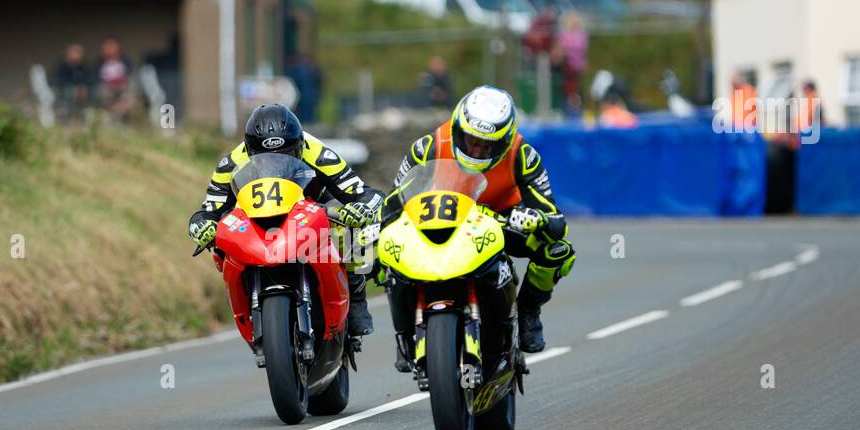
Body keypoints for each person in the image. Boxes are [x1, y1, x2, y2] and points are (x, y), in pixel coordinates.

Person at [390, 86, 575, 356]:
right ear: (457, 130)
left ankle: (528, 311)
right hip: (441, 220)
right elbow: (395, 199)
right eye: (470, 140)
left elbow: (554, 219)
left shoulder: (522, 154)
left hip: (502, 221)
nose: (476, 150)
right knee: (387, 248)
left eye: (487, 145)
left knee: (558, 250)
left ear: (504, 141)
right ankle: (406, 331)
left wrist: (537, 218)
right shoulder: (429, 146)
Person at [188, 104, 384, 335]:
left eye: (287, 155)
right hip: (259, 214)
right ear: (250, 151)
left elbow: (365, 193)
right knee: (223, 240)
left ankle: (357, 299)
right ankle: (248, 297)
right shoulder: (230, 163)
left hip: (314, 206)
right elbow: (210, 208)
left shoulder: (320, 154)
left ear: (300, 145)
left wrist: (361, 208)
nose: (277, 164)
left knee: (352, 230)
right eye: (265, 157)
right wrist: (203, 224)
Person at [97, 38, 134, 121]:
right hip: (107, 87)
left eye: (112, 46)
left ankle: (122, 115)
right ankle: (113, 113)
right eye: (107, 47)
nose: (110, 49)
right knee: (102, 91)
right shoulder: (99, 62)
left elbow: (129, 74)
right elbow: (97, 78)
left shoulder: (125, 60)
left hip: (123, 86)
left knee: (130, 92)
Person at [55, 43, 91, 118]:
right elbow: (59, 81)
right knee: (69, 93)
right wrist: (74, 88)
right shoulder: (63, 66)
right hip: (66, 90)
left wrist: (83, 87)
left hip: (82, 90)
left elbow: (89, 79)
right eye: (73, 53)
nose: (75, 55)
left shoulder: (83, 66)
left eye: (78, 53)